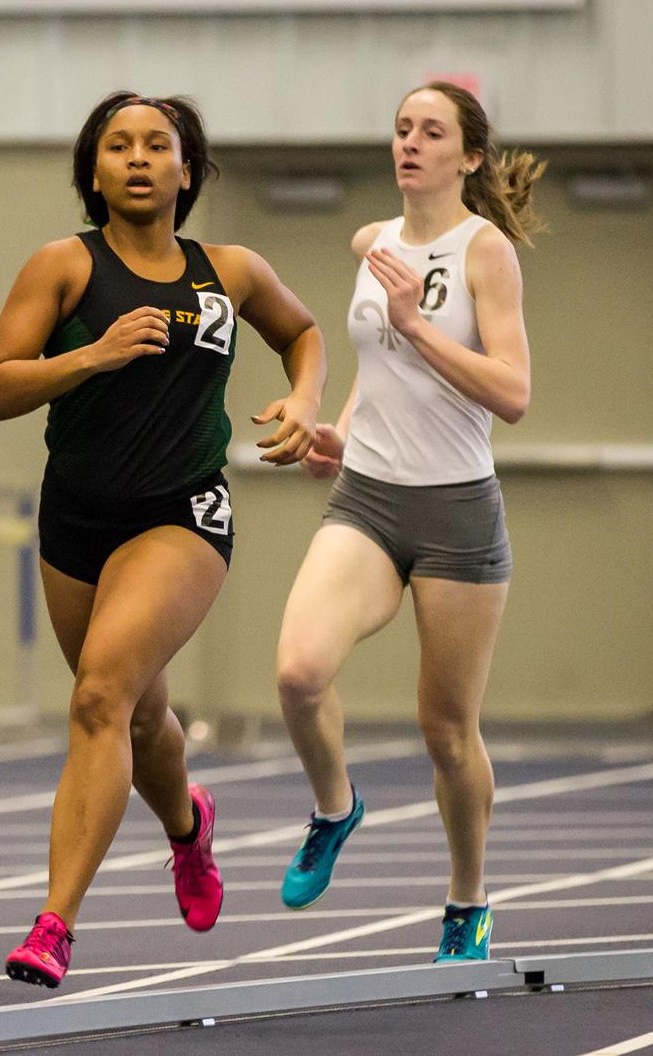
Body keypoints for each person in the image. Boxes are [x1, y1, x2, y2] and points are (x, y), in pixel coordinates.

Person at [0, 91, 327, 987]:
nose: (137, 158)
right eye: (117, 145)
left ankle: (54, 924)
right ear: (92, 172)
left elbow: (302, 333)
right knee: (137, 715)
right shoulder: (62, 267)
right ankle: (187, 825)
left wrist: (303, 398)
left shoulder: (231, 270)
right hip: (76, 518)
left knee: (98, 697)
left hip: (182, 513)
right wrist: (89, 356)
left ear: (187, 169)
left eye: (156, 145)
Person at [273, 81, 543, 963]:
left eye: (432, 132)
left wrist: (418, 326)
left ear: (467, 157)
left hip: (457, 510)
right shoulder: (372, 242)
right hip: (369, 497)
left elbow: (513, 395)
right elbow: (375, 370)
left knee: (446, 731)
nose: (409, 143)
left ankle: (467, 899)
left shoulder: (485, 252)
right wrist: (336, 436)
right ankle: (333, 807)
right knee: (298, 671)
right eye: (400, 129)